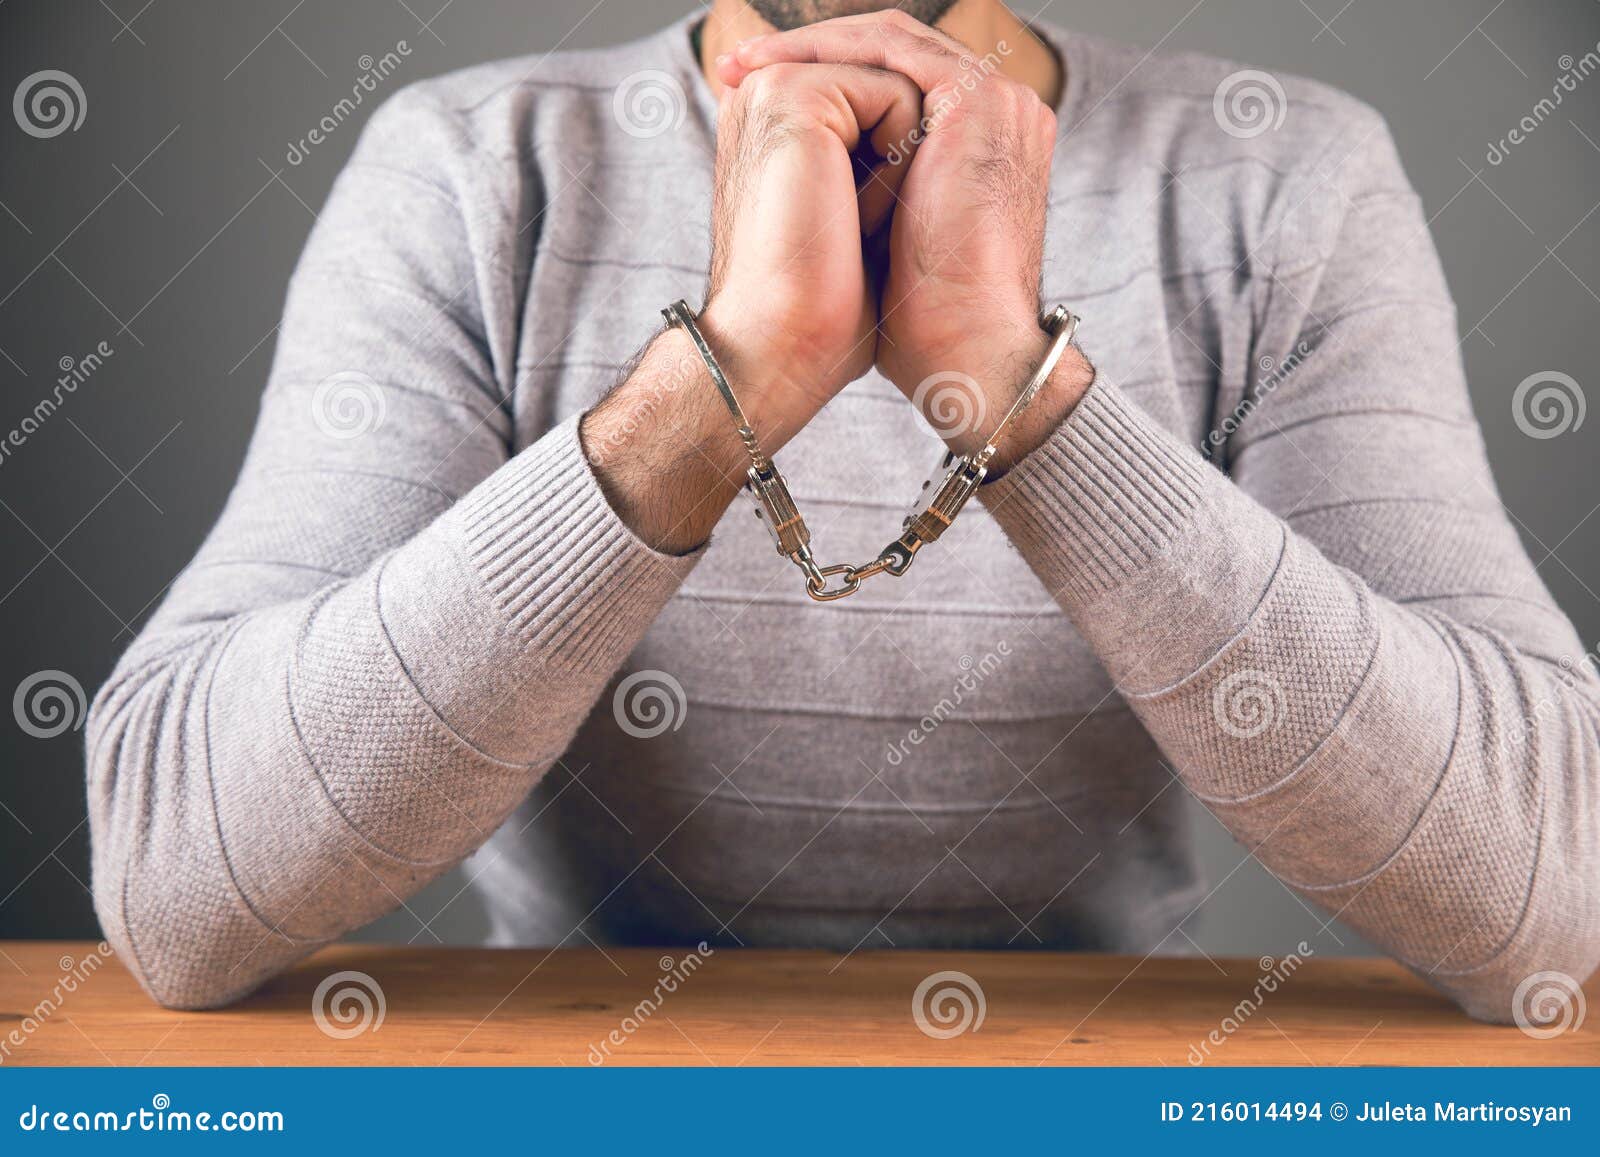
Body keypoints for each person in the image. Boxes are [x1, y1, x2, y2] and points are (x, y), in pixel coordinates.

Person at [87, 0, 1598, 1019]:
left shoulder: (1281, 179)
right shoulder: (476, 170)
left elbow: (1539, 895)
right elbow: (177, 884)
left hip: (1097, 1097)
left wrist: (1010, 382)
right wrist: (726, 376)